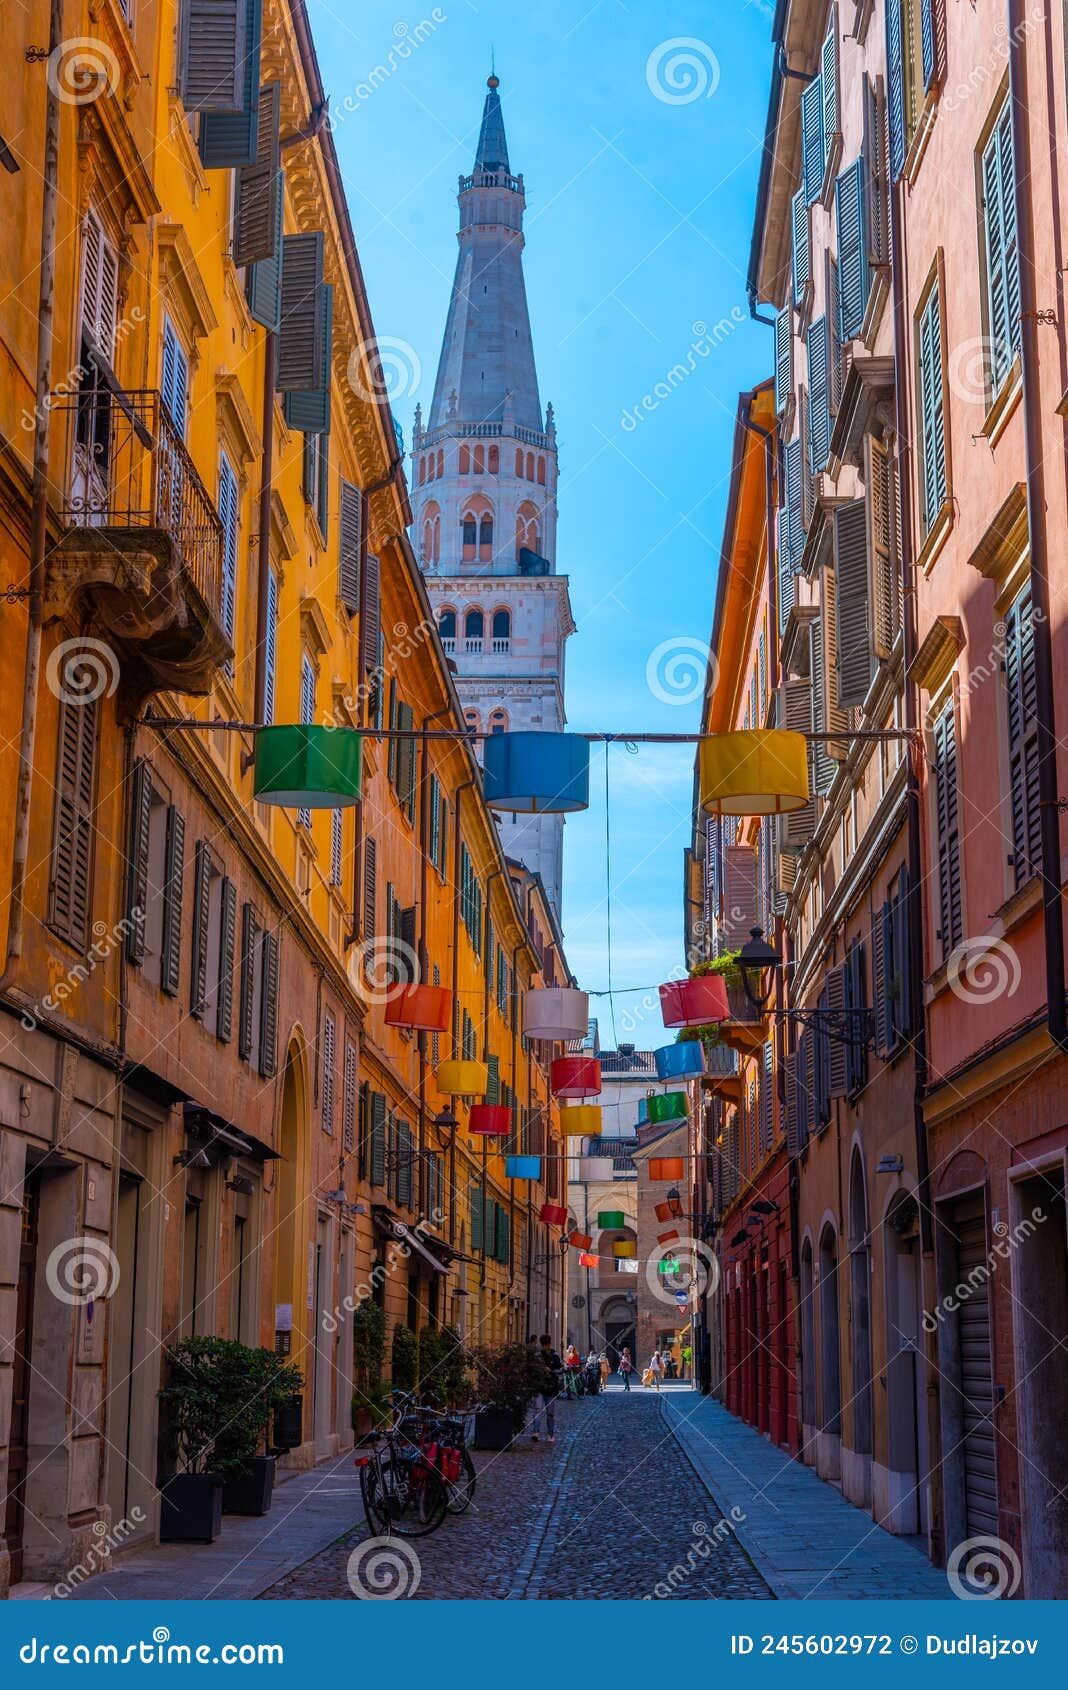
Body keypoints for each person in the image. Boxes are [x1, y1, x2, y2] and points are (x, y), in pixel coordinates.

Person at [529, 1334, 561, 1444]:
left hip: (547, 1387)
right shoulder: (538, 1355)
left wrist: (550, 1370)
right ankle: (540, 1433)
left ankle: (546, 1433)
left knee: (544, 1412)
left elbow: (558, 1368)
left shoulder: (553, 1355)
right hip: (542, 1387)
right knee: (545, 1412)